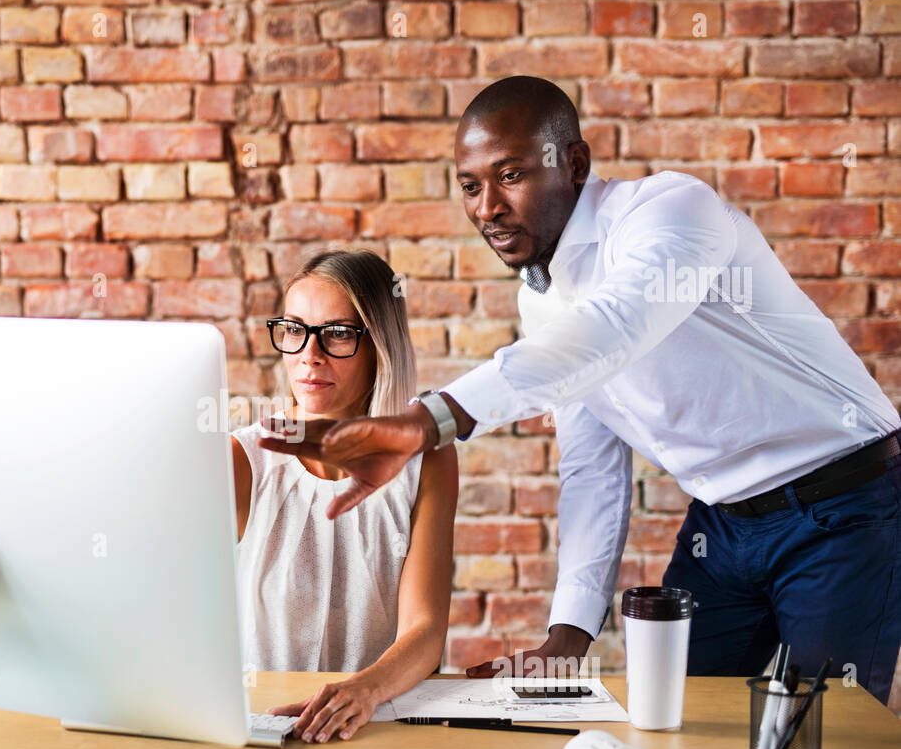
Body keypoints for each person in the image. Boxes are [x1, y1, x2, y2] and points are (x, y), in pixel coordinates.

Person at [259, 76, 901, 706]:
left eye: (510, 176)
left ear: (574, 163)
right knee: (674, 719)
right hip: (722, 526)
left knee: (824, 731)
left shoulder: (672, 212)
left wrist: (429, 420)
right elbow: (593, 471)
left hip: (843, 503)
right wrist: (565, 641)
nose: (487, 207)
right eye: (470, 186)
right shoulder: (541, 307)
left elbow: (617, 325)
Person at [231, 249, 457, 742]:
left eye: (336, 333)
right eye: (293, 330)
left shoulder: (428, 458)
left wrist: (364, 692)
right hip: (267, 727)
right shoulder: (244, 459)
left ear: (379, 345)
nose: (309, 354)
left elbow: (424, 628)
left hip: (377, 723)